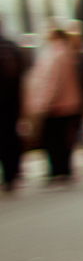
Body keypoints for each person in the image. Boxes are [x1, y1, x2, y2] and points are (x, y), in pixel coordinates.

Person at [23, 23, 83, 183]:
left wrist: (43, 103)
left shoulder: (55, 54)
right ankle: (63, 170)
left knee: (54, 140)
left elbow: (52, 82)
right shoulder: (67, 52)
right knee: (63, 139)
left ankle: (58, 170)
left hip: (58, 105)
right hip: (69, 103)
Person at [0, 30, 23, 191]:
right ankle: (12, 172)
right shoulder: (12, 46)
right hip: (13, 100)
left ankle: (9, 173)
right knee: (11, 135)